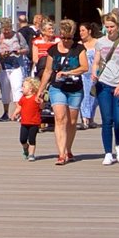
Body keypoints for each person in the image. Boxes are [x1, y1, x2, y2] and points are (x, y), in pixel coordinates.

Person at [37, 21, 87, 164]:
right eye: (64, 37)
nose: (66, 41)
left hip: (75, 88)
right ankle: (61, 153)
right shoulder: (53, 50)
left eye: (69, 38)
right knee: (60, 119)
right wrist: (40, 90)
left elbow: (84, 67)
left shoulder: (79, 49)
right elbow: (48, 71)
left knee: (71, 122)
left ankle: (68, 149)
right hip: (57, 87)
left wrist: (68, 72)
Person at [93, 12, 119, 164]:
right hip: (104, 83)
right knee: (107, 120)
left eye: (112, 27)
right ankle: (108, 152)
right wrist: (94, 73)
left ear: (118, 27)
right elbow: (96, 62)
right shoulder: (100, 42)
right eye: (107, 27)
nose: (109, 30)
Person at [16, 80, 45, 159]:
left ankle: (31, 154)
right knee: (22, 139)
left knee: (32, 139)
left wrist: (42, 102)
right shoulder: (23, 98)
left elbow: (41, 107)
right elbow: (19, 106)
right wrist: (15, 113)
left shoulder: (36, 98)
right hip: (24, 122)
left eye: (24, 86)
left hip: (34, 123)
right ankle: (26, 148)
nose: (22, 88)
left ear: (30, 89)